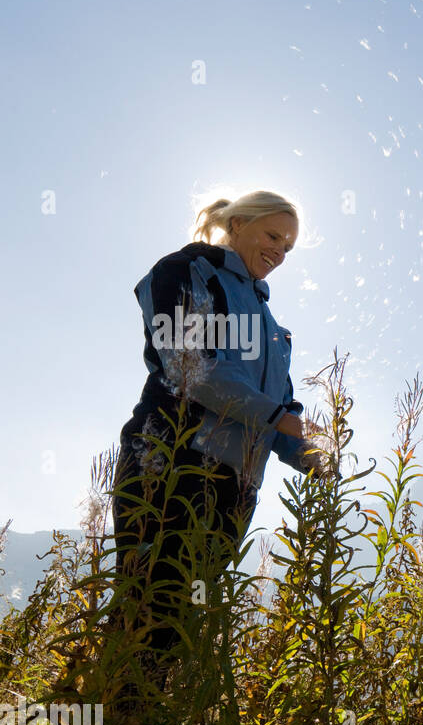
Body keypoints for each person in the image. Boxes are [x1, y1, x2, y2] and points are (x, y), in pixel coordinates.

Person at [110, 190, 332, 683]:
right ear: (237, 223)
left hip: (233, 490)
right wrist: (277, 416)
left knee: (182, 630)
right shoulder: (186, 270)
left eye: (288, 247)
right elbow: (191, 368)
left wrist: (311, 451)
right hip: (170, 464)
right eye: (273, 235)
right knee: (149, 616)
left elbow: (279, 408)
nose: (278, 252)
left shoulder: (273, 327)